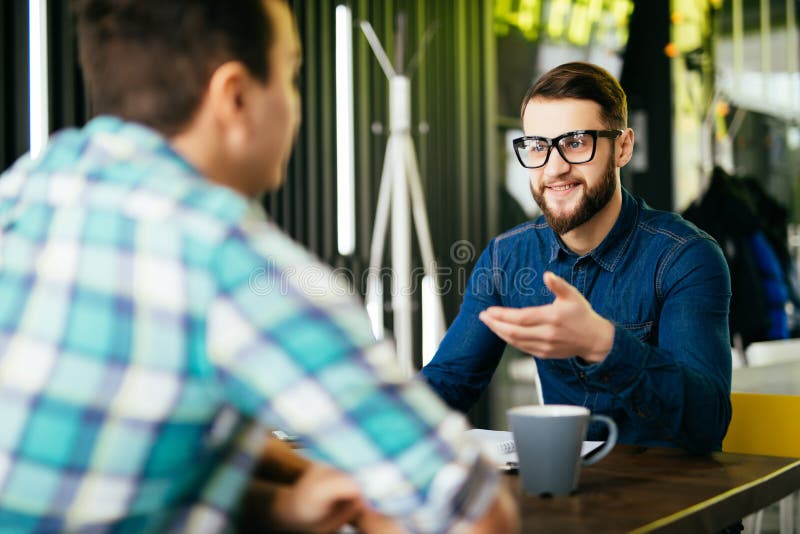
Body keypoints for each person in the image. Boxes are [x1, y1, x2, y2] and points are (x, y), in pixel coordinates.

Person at [0, 1, 518, 532]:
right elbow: (477, 516)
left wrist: (277, 509)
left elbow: (108, 458)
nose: (296, 106)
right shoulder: (240, 268)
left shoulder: (29, 188)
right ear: (236, 97)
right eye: (292, 75)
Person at [422, 62, 732, 455]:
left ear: (622, 146)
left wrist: (602, 343)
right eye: (537, 145)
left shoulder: (685, 257)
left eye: (575, 142)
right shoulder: (507, 257)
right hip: (565, 493)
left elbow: (707, 423)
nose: (554, 168)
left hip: (672, 501)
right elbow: (450, 381)